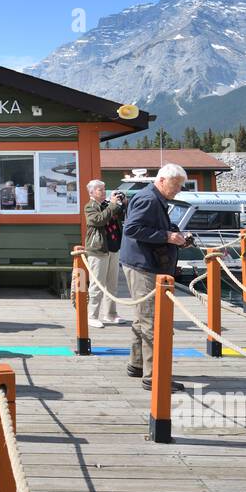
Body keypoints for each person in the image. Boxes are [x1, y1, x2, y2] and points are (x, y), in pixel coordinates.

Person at [120, 164, 190, 391]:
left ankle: (137, 364)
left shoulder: (151, 198)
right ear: (162, 180)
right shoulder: (149, 199)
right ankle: (154, 377)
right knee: (152, 321)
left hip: (142, 263)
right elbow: (132, 229)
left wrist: (173, 232)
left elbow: (144, 227)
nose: (179, 189)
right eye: (176, 185)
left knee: (143, 318)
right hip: (144, 267)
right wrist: (168, 236)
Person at [83, 179, 128, 328]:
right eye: (100, 190)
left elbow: (121, 218)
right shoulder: (90, 207)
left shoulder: (108, 205)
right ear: (91, 192)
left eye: (104, 189)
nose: (104, 192)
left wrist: (123, 204)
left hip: (113, 248)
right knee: (97, 285)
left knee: (112, 285)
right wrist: (113, 205)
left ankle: (111, 314)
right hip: (98, 249)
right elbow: (98, 220)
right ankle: (92, 316)